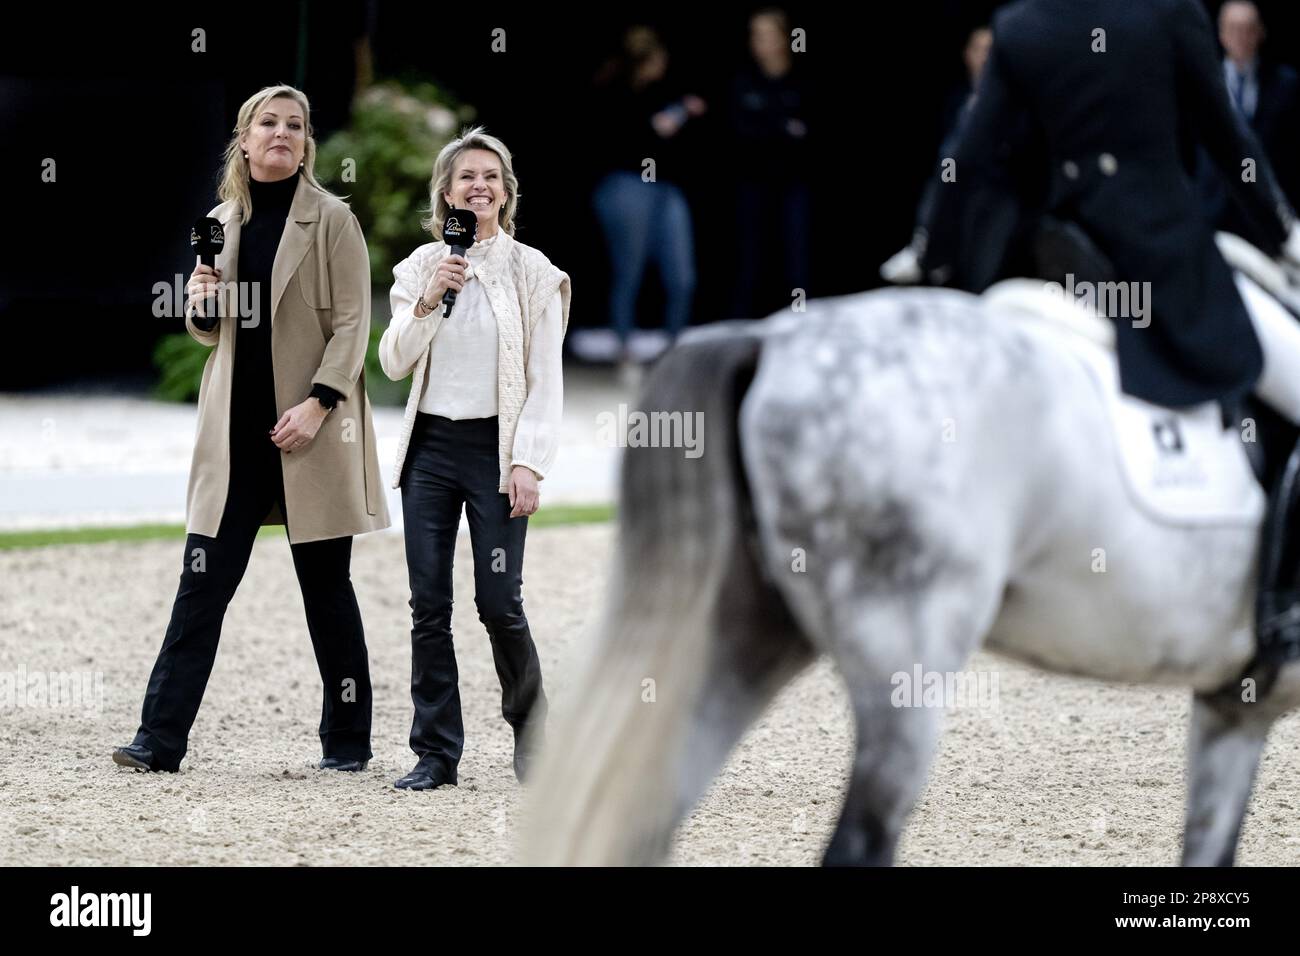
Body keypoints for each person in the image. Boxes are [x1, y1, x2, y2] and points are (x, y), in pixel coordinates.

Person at [920, 0, 1300, 668]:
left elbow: (972, 155)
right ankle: (1280, 611)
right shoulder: (1166, 13)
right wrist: (1284, 236)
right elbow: (1228, 140)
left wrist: (932, 253)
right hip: (1165, 256)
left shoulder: (1022, 24)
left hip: (1062, 257)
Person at [113, 84, 391, 773]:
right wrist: (200, 301)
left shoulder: (331, 220)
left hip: (311, 432)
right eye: (268, 123)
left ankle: (348, 745)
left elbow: (355, 324)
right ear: (245, 138)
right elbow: (211, 333)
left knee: (327, 591)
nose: (282, 134)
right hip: (236, 439)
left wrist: (319, 403)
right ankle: (158, 740)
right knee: (201, 585)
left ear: (306, 143)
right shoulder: (219, 220)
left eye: (295, 125)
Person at [379, 127, 570, 790]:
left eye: (491, 176)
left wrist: (530, 462)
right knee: (428, 603)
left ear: (506, 193)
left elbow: (546, 380)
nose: (479, 186)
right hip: (430, 451)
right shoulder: (419, 269)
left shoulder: (536, 273)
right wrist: (432, 296)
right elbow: (394, 361)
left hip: (496, 454)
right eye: (466, 177)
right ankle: (435, 753)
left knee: (499, 602)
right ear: (446, 192)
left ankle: (535, 738)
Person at [590, 25, 704, 376]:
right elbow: (655, 130)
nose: (663, 65)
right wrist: (683, 110)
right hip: (626, 188)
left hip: (666, 189)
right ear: (645, 61)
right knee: (629, 273)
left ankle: (673, 356)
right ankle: (625, 353)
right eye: (658, 60)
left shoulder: (662, 89)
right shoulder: (616, 91)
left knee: (682, 276)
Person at [727, 7, 811, 319]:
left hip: (793, 186)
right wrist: (781, 130)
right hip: (752, 186)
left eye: (766, 35)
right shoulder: (743, 81)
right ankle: (740, 338)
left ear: (783, 39)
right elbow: (740, 135)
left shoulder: (801, 81)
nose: (758, 42)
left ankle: (800, 333)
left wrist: (773, 130)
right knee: (749, 264)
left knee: (796, 264)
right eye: (754, 35)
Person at [1197, 0, 1300, 246]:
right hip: (1212, 207)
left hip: (1266, 211)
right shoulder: (1202, 82)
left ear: (1260, 32)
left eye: (1247, 29)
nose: (1240, 37)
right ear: (1220, 33)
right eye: (1233, 28)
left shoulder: (1285, 85)